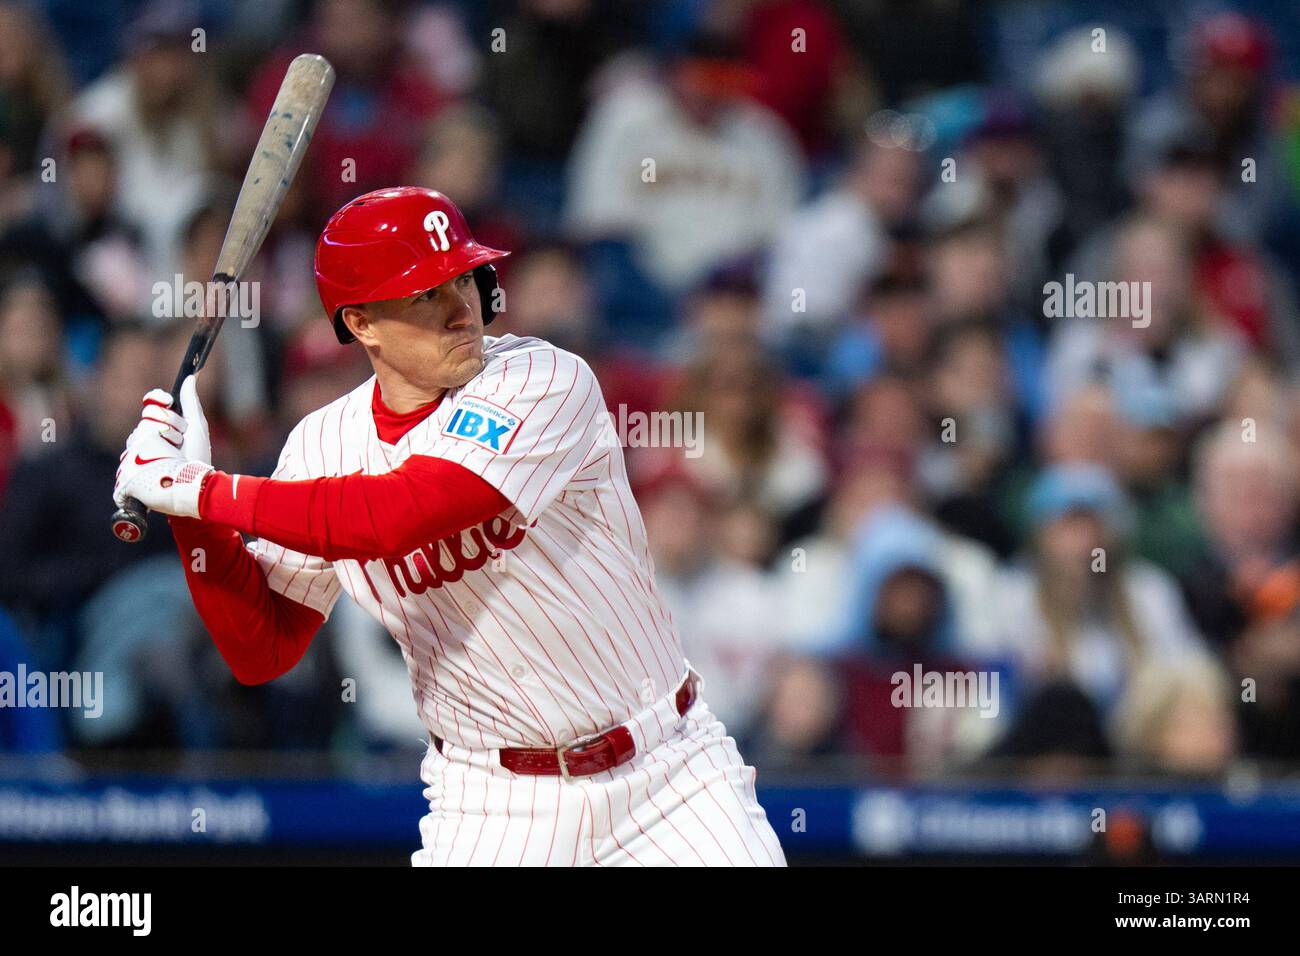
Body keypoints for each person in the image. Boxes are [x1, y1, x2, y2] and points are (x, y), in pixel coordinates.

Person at [111, 187, 786, 867]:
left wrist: (202, 489)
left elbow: (404, 514)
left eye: (463, 277)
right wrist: (190, 517)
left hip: (664, 775)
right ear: (362, 323)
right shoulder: (321, 446)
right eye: (424, 294)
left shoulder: (542, 377)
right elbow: (264, 648)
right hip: (493, 802)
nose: (461, 308)